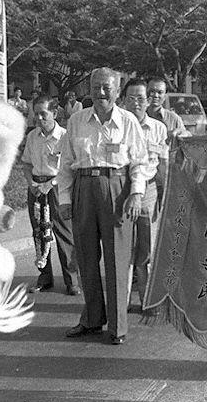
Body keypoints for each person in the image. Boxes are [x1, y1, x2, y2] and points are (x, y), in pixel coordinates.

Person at [57, 67, 151, 345]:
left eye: (106, 88)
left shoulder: (128, 121)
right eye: (95, 87)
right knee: (86, 257)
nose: (100, 93)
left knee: (117, 260)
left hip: (116, 189)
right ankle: (91, 319)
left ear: (117, 91)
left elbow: (140, 162)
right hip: (83, 188)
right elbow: (65, 165)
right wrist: (64, 199)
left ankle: (117, 326)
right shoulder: (76, 121)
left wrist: (135, 194)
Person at [21, 95, 81, 296]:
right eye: (35, 114)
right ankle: (44, 277)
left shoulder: (65, 136)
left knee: (64, 233)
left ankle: (71, 280)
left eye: (43, 114)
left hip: (57, 187)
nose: (38, 118)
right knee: (39, 232)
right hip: (36, 187)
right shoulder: (32, 137)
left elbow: (68, 167)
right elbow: (27, 163)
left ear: (55, 114)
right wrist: (31, 183)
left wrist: (50, 184)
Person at [121, 79, 167, 313]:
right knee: (123, 249)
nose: (136, 103)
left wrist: (164, 194)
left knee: (146, 249)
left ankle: (148, 300)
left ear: (148, 101)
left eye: (141, 98)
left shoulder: (158, 128)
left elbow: (163, 163)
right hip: (121, 191)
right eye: (131, 98)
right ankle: (123, 302)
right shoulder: (116, 125)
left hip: (149, 191)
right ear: (123, 100)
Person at [146, 78, 188, 142]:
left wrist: (179, 132)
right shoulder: (137, 116)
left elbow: (187, 134)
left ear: (165, 96)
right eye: (152, 91)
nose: (155, 95)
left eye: (160, 92)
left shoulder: (173, 118)